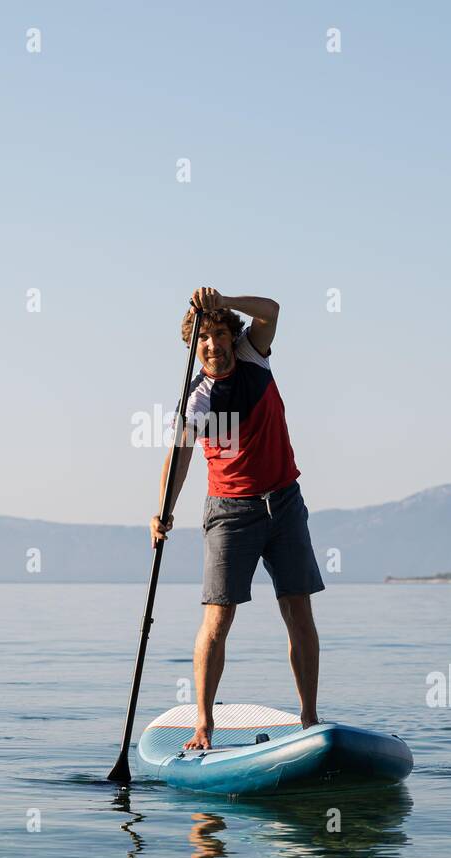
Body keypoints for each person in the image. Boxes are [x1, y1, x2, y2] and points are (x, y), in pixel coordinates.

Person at [150, 286, 325, 750]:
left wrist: (222, 298)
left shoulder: (254, 356)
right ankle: (204, 724)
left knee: (298, 609)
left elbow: (272, 311)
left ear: (232, 335)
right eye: (203, 338)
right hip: (231, 512)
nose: (212, 345)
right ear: (195, 346)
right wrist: (163, 513)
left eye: (219, 334)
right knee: (218, 618)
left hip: (284, 503)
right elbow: (180, 457)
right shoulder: (198, 399)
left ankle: (309, 718)